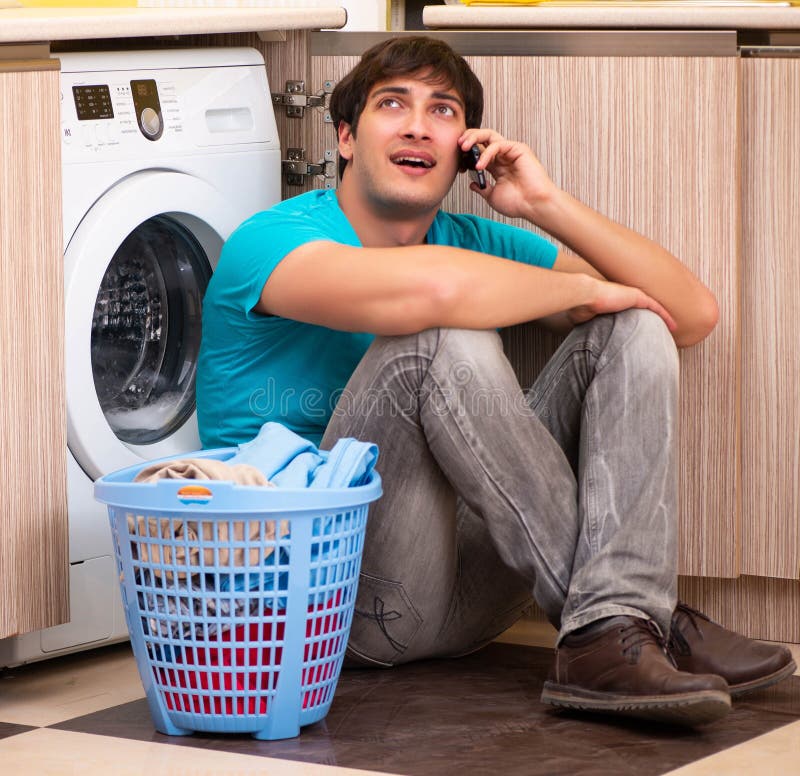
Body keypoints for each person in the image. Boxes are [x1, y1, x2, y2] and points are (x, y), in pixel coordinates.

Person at [197, 36, 795, 725]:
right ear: (346, 138)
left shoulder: (472, 239)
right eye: (393, 104)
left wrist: (543, 203)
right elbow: (425, 298)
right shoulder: (271, 240)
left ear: (464, 151)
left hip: (479, 598)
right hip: (330, 607)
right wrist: (578, 288)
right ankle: (642, 614)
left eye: (443, 111)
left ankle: (614, 623)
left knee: (634, 326)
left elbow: (690, 313)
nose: (419, 124)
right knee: (433, 339)